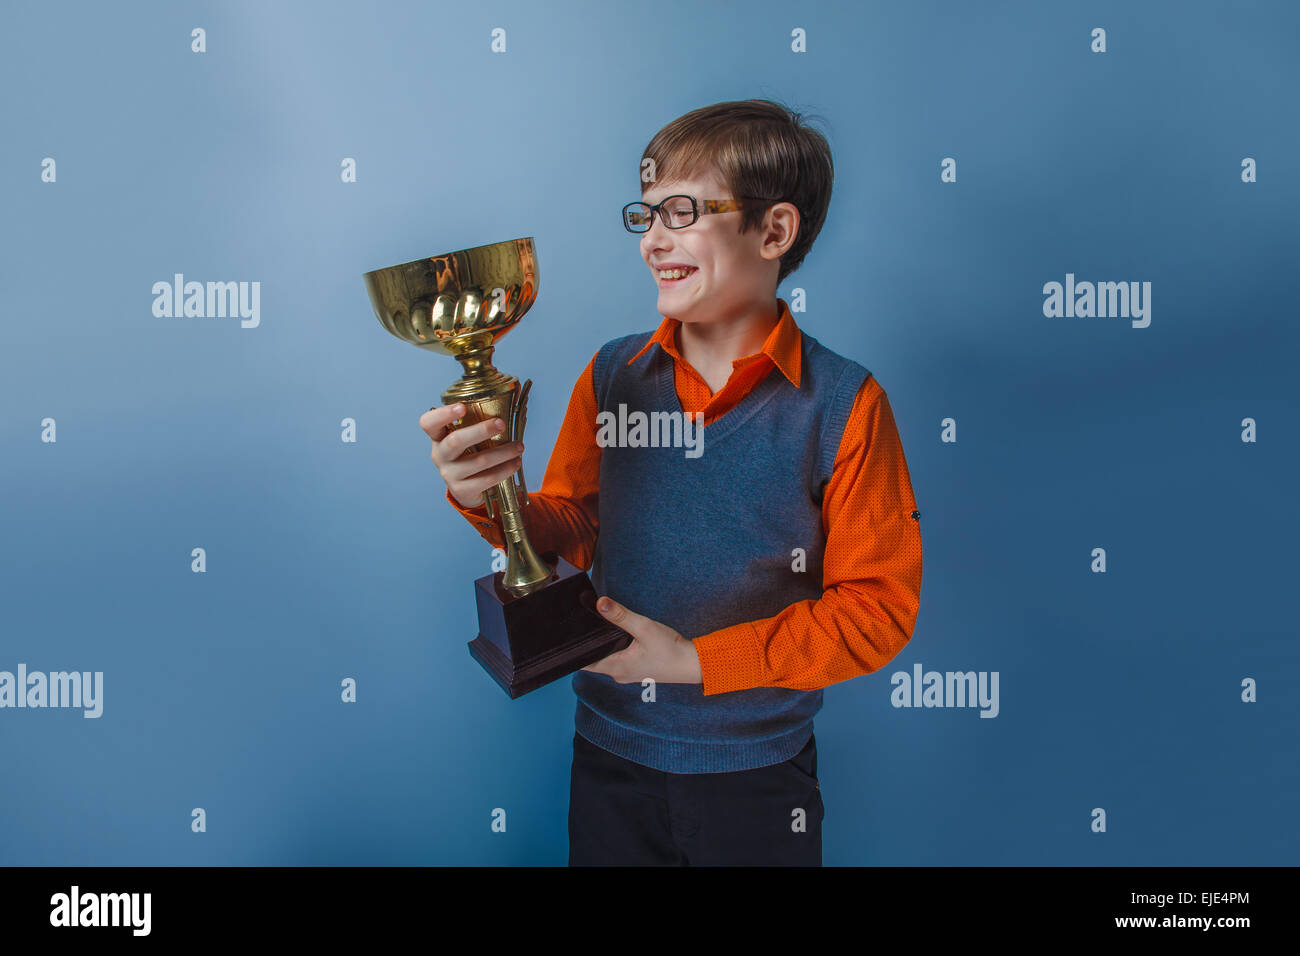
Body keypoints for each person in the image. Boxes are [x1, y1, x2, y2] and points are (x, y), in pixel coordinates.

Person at [420, 98, 923, 866]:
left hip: (757, 779)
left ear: (774, 231)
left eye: (682, 213)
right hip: (608, 762)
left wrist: (689, 662)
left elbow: (874, 611)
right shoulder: (614, 373)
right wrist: (482, 492)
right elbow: (577, 528)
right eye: (645, 215)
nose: (654, 241)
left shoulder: (846, 404)